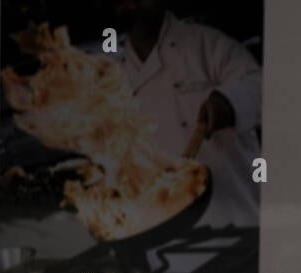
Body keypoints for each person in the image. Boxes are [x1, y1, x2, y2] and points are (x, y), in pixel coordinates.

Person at [112, 0, 262, 228]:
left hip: (238, 221)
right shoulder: (115, 76)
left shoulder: (206, 44)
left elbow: (262, 87)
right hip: (167, 240)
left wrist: (230, 102)